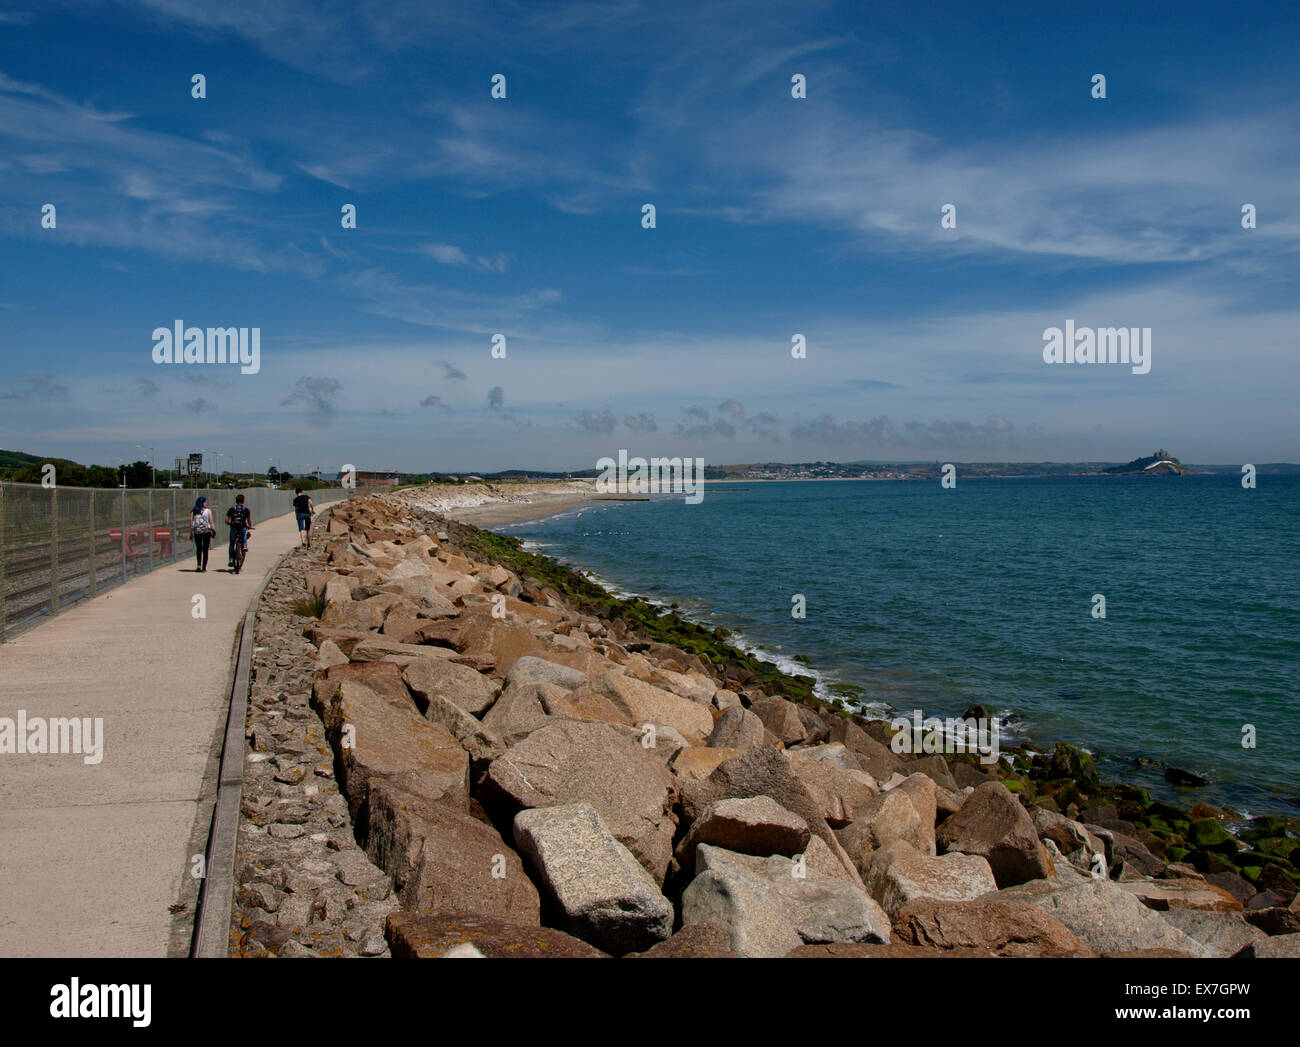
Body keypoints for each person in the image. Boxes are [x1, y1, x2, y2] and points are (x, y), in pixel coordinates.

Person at [226, 494, 254, 568]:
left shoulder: (232, 509)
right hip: (242, 527)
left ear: (236, 501)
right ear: (243, 501)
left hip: (234, 528)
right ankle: (244, 546)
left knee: (232, 543)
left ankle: (231, 559)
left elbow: (226, 520)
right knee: (245, 533)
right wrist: (250, 526)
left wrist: (229, 523)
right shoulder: (246, 510)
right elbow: (249, 520)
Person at [190, 496, 214, 572]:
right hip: (206, 532)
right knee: (205, 549)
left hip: (197, 532)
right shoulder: (208, 511)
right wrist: (213, 531)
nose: (206, 503)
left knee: (198, 549)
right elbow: (211, 522)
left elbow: (191, 524)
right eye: (205, 502)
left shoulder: (193, 511)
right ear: (203, 503)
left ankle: (198, 565)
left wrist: (191, 533)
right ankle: (204, 567)